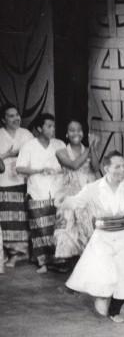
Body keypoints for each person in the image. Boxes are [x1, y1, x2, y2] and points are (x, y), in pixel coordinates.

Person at [60, 150, 124, 323]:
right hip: (102, 238)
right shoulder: (93, 188)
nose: (121, 170)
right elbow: (77, 201)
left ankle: (115, 310)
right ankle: (102, 296)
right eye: (117, 166)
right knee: (104, 272)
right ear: (106, 168)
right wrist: (63, 202)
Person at [15, 113, 65, 272]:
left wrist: (59, 171)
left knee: (57, 228)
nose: (52, 129)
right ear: (39, 128)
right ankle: (43, 263)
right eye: (48, 126)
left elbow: (68, 165)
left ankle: (58, 260)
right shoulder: (29, 146)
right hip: (37, 192)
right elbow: (19, 168)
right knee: (40, 229)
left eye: (53, 126)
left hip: (57, 192)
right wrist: (39, 170)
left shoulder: (59, 144)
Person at [53, 120, 99, 266]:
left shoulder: (88, 149)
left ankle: (88, 256)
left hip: (87, 190)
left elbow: (96, 167)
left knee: (88, 222)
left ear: (83, 133)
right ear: (67, 134)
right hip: (70, 191)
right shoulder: (61, 152)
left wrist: (93, 150)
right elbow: (74, 165)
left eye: (79, 130)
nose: (76, 133)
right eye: (72, 130)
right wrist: (90, 147)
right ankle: (69, 257)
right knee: (69, 223)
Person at [0, 103, 34, 266]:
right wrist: (8, 154)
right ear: (3, 119)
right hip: (4, 183)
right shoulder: (0, 135)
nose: (16, 118)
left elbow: (35, 154)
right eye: (11, 116)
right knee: (8, 221)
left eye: (17, 115)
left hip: (23, 182)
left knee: (22, 219)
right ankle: (10, 252)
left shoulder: (26, 134)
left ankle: (21, 253)